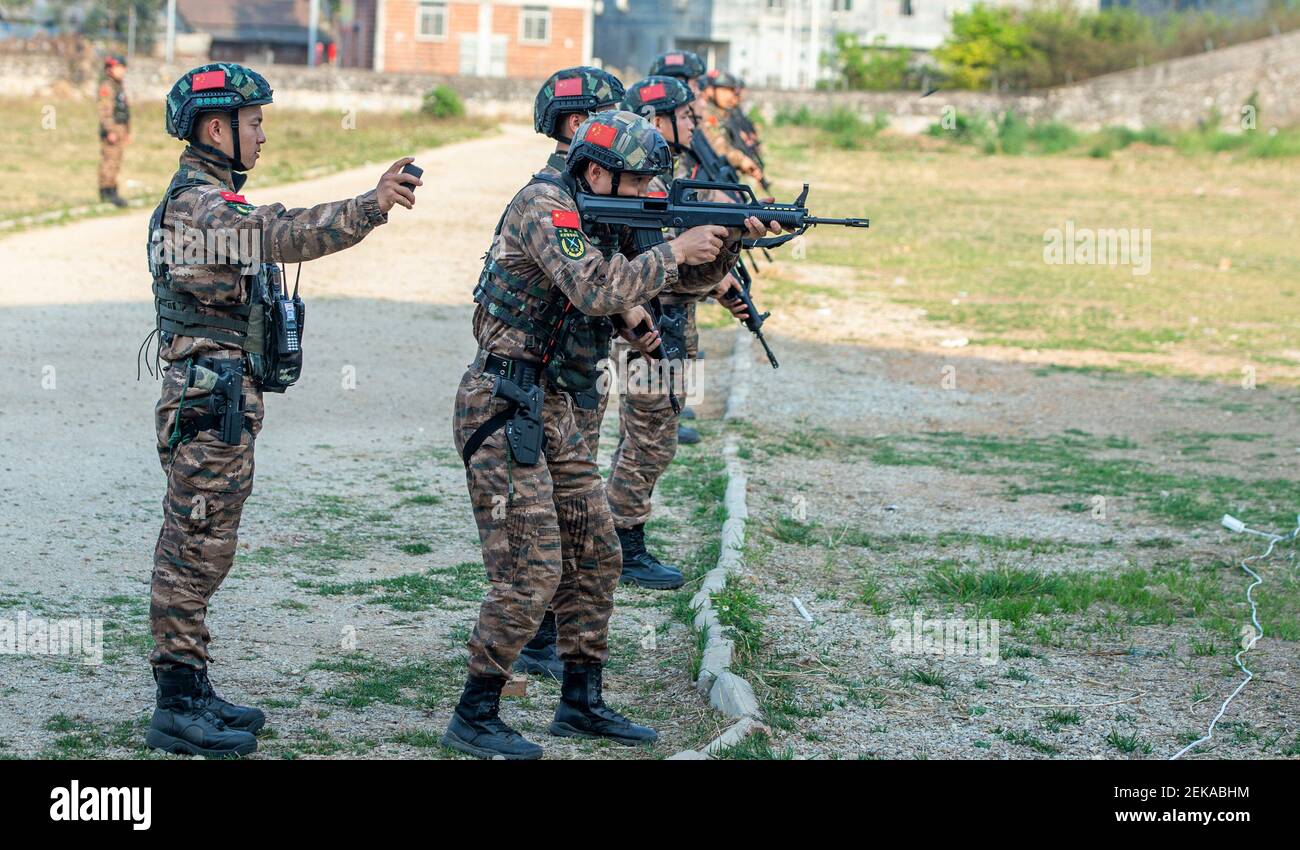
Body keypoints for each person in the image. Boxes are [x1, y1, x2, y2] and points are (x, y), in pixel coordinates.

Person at [444, 110, 778, 759]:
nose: (647, 195)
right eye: (635, 181)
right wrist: (676, 246)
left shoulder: (603, 218)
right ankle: (475, 712)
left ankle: (581, 700)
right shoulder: (547, 206)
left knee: (598, 554)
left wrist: (727, 245)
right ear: (595, 171)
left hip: (557, 406)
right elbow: (596, 289)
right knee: (531, 569)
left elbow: (679, 282)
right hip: (504, 402)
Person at [143, 63, 420, 756]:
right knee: (190, 551)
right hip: (209, 404)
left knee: (208, 550)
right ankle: (175, 705)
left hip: (221, 398)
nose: (263, 134)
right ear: (217, 127)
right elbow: (282, 231)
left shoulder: (210, 200)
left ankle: (193, 686)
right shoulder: (201, 206)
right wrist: (371, 204)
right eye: (254, 121)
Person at [512, 65, 630, 683]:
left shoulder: (591, 194)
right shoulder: (550, 200)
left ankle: (565, 660)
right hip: (543, 384)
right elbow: (593, 284)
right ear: (582, 125)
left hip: (576, 371)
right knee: (551, 530)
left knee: (583, 531)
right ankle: (534, 640)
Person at [696, 69, 765, 186]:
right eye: (724, 90)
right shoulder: (706, 112)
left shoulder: (724, 113)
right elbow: (718, 146)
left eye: (732, 90)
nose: (729, 95)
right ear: (711, 90)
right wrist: (741, 160)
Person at [98, 54, 130, 207]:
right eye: (118, 68)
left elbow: (125, 110)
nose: (122, 71)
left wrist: (127, 131)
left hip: (120, 128)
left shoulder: (119, 86)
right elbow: (105, 111)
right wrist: (110, 130)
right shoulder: (107, 87)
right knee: (109, 160)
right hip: (112, 128)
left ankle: (112, 189)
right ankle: (106, 191)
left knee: (116, 161)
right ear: (110, 70)